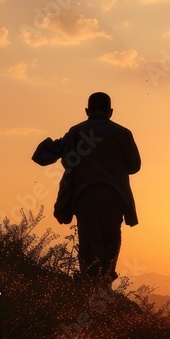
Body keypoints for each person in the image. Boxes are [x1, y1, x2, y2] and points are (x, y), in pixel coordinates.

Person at [32, 92, 140, 286]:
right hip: (114, 198)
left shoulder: (76, 131)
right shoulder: (123, 133)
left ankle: (90, 286)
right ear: (111, 112)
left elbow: (43, 156)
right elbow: (134, 166)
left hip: (85, 197)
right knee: (111, 242)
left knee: (89, 243)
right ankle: (105, 284)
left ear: (87, 111)